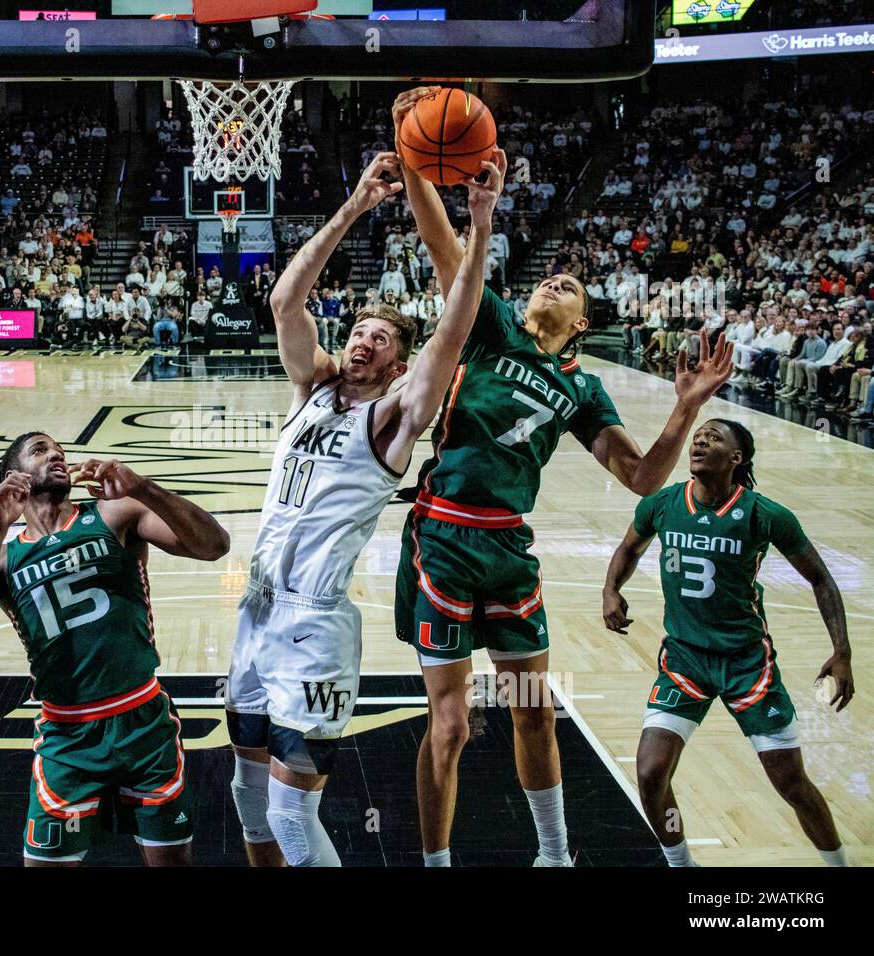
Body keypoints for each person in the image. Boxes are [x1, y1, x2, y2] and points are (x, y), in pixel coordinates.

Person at [390, 86, 734, 868]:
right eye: (548, 277)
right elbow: (444, 244)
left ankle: (555, 856)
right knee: (448, 724)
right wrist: (416, 158)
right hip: (443, 536)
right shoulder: (492, 322)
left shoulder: (584, 386)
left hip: (509, 549)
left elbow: (644, 477)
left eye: (568, 286)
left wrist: (685, 408)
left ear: (581, 323)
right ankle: (434, 864)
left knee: (532, 709)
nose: (552, 280)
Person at [225, 150, 495, 867]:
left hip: (315, 625)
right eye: (358, 331)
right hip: (256, 607)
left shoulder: (393, 419)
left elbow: (454, 334)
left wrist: (480, 224)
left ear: (399, 366)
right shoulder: (311, 388)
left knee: (289, 816)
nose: (362, 340)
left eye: (380, 338)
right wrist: (352, 208)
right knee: (246, 797)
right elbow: (286, 302)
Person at [0, 435, 229, 865]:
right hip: (67, 735)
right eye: (40, 450)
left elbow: (215, 545)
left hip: (143, 723)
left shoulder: (114, 514)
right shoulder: (1, 558)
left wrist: (143, 488)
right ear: (12, 477)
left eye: (59, 450)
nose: (57, 454)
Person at [602, 420, 855, 867]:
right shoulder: (662, 503)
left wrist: (842, 650)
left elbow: (821, 579)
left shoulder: (764, 514)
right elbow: (628, 548)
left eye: (714, 437)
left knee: (790, 783)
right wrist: (611, 589)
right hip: (684, 661)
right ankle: (681, 864)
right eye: (698, 436)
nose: (699, 441)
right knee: (650, 771)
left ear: (737, 458)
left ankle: (839, 865)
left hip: (747, 665)